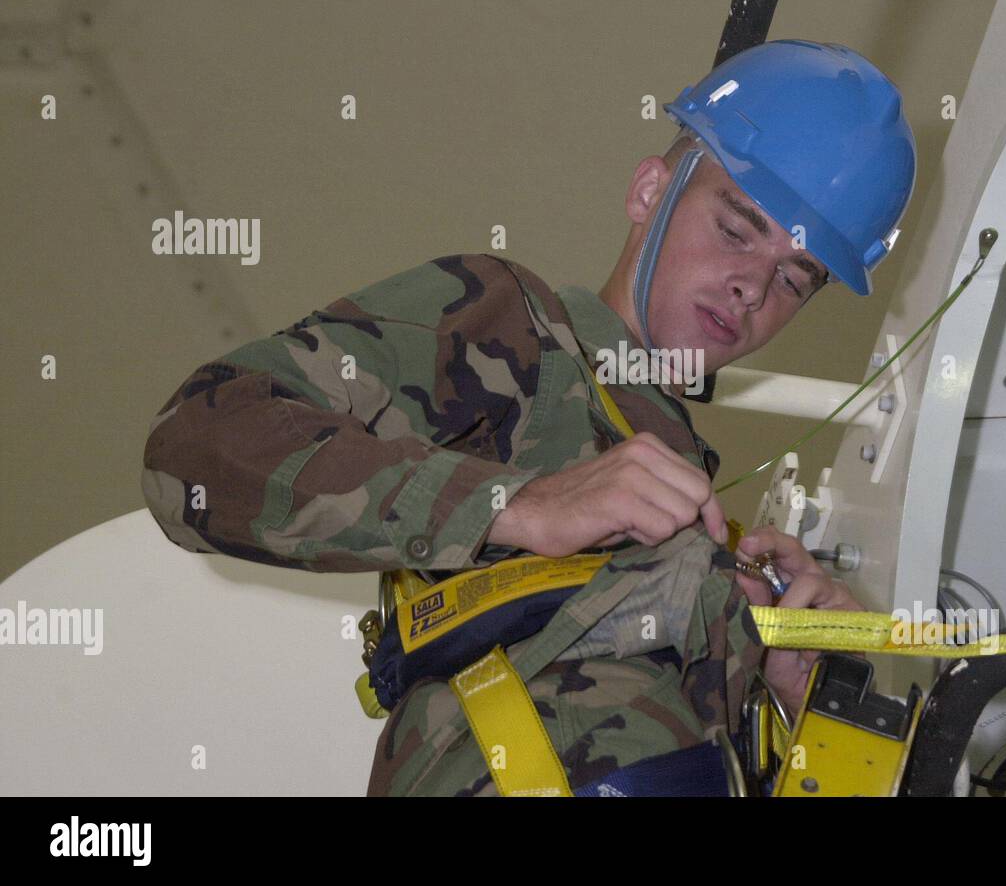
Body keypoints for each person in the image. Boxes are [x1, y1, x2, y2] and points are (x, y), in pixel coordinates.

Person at [140, 39, 917, 796]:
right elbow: (201, 443)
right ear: (650, 192)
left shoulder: (715, 537)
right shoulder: (517, 327)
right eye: (736, 229)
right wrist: (518, 505)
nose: (751, 284)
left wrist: (786, 685)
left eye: (792, 276)